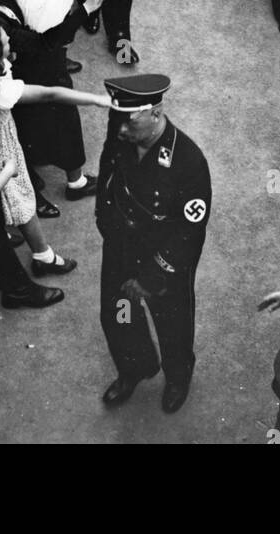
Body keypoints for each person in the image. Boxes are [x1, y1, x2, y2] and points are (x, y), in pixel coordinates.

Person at [96, 73, 211, 414]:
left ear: (156, 114)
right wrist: (104, 222)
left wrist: (150, 278)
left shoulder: (189, 162)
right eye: (117, 121)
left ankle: (178, 377)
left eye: (129, 123)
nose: (120, 131)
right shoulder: (121, 132)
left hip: (164, 263)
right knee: (118, 314)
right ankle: (134, 368)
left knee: (173, 324)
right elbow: (107, 178)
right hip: (120, 247)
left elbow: (190, 232)